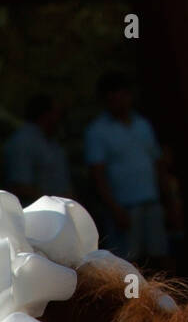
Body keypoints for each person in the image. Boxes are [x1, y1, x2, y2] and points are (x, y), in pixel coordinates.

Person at [83, 73, 171, 268]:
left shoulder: (142, 125)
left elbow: (157, 163)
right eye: (113, 98)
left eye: (122, 96)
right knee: (128, 263)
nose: (119, 102)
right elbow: (98, 175)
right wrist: (114, 208)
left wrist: (168, 200)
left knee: (161, 257)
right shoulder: (97, 132)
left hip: (151, 202)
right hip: (124, 207)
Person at [2, 94, 72, 203]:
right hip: (37, 214)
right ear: (45, 114)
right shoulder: (23, 142)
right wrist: (54, 204)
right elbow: (20, 187)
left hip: (61, 213)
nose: (60, 118)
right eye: (57, 113)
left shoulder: (53, 143)